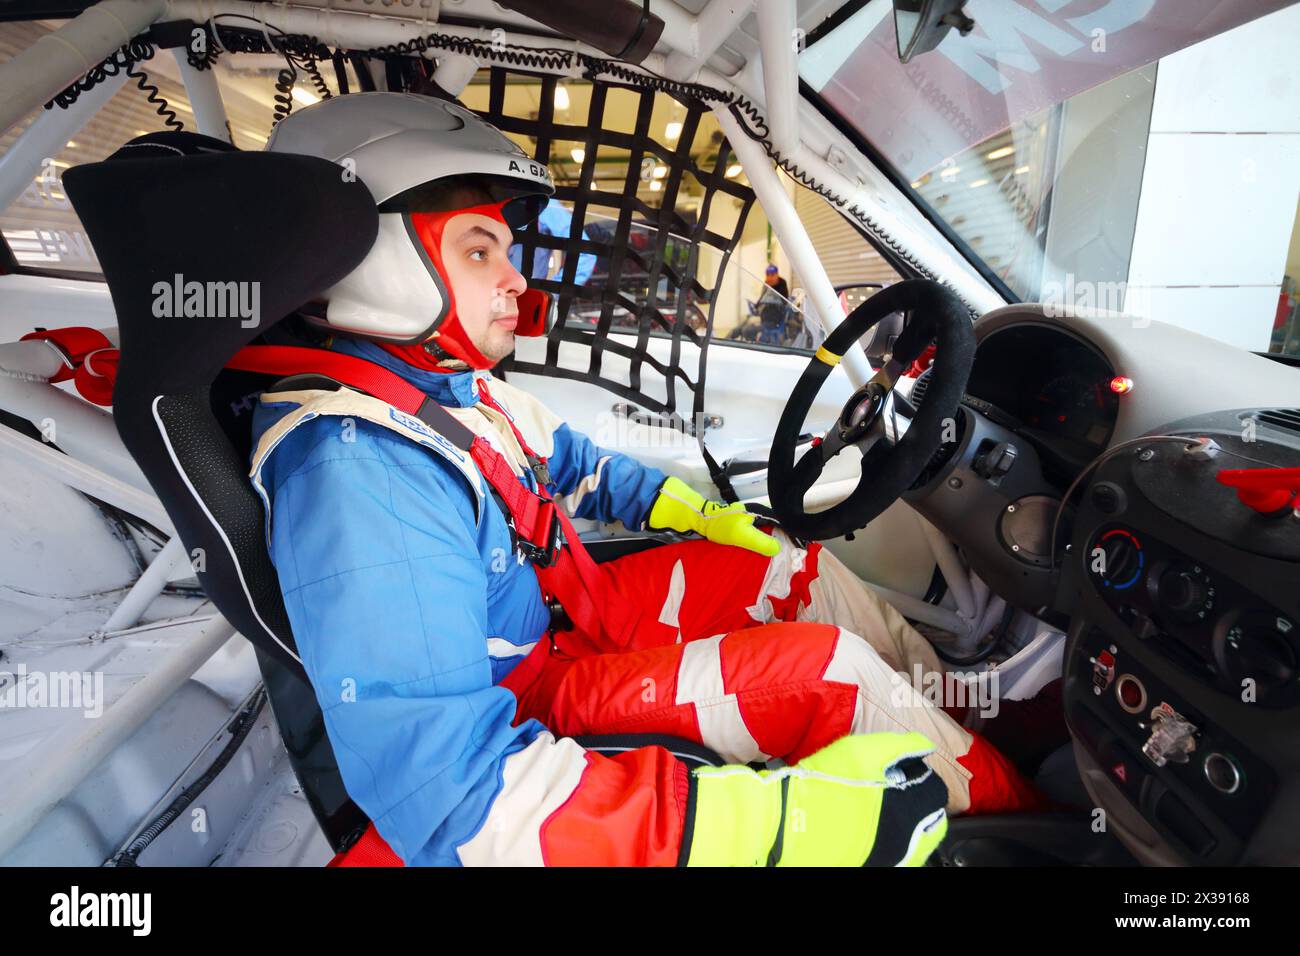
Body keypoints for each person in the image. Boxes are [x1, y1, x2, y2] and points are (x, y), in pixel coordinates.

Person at [250, 92, 1050, 867]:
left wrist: (704, 516)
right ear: (375, 259)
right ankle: (1024, 828)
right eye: (476, 250)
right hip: (529, 699)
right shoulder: (359, 466)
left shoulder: (442, 386)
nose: (516, 280)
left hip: (562, 617)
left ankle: (958, 723)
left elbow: (576, 464)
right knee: (826, 670)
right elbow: (456, 800)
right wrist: (774, 826)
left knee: (784, 561)